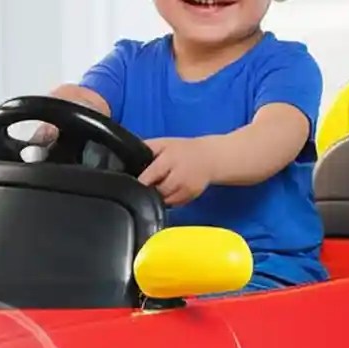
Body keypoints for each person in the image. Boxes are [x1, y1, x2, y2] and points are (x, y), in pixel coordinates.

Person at [41, 0, 327, 292]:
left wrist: (207, 159)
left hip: (256, 270)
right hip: (142, 272)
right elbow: (87, 101)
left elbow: (274, 136)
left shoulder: (288, 66)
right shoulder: (127, 64)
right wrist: (65, 107)